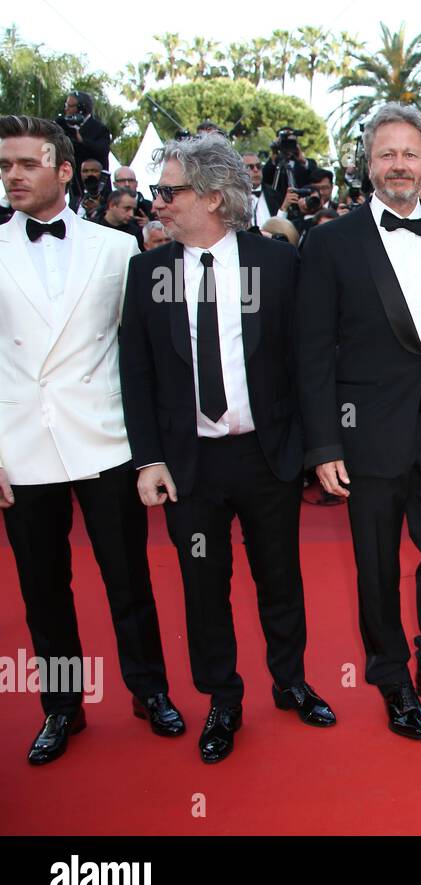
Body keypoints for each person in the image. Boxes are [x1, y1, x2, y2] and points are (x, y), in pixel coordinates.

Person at [118, 134, 336, 763]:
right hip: (191, 465)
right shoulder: (148, 271)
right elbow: (135, 373)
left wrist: (308, 446)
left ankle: (291, 681)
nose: (156, 202)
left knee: (280, 577)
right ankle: (223, 698)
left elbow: (305, 360)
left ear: (213, 197)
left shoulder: (275, 265)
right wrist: (149, 458)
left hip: (266, 456)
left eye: (169, 191)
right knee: (202, 582)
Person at [297, 104, 421, 740]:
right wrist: (324, 440)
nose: (400, 165)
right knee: (376, 566)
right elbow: (311, 349)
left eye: (411, 153)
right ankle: (392, 678)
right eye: (387, 154)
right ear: (367, 165)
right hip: (365, 437)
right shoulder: (328, 243)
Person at [0, 115, 184, 764]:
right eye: (6, 166)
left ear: (60, 167)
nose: (14, 176)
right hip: (22, 445)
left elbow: (137, 355)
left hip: (105, 439)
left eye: (26, 164)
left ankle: (149, 689)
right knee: (42, 589)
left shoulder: (116, 248)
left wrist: (150, 446)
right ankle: (62, 706)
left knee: (128, 579)